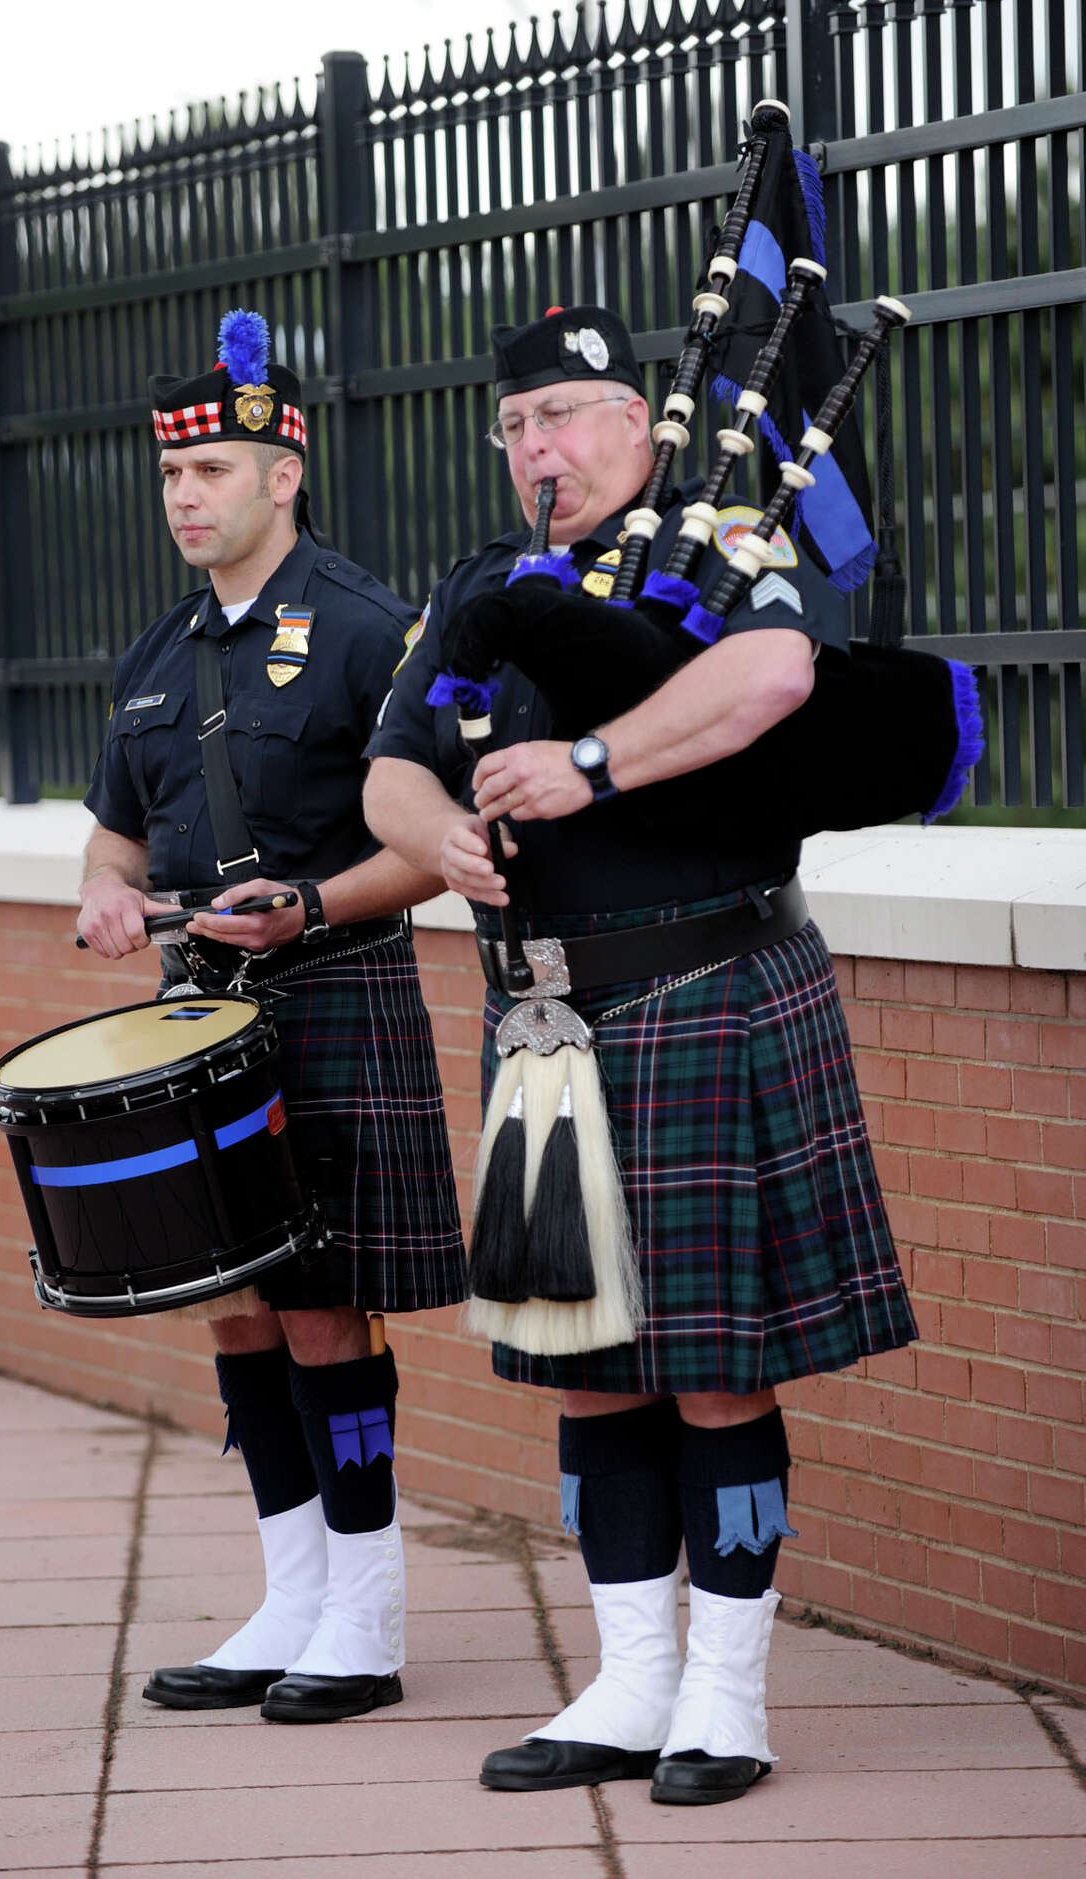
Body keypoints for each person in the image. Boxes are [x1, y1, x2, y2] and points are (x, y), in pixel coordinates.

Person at [363, 305, 917, 1801]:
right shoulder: (483, 581)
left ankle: (726, 1700)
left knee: (716, 1372)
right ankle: (630, 1684)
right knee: (588, 1368)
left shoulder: (724, 545)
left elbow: (775, 679)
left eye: (564, 414)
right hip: (545, 1024)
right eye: (514, 424)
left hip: (705, 989)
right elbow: (390, 772)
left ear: (636, 422)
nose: (536, 446)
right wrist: (446, 840)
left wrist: (590, 763)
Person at [77, 308, 466, 1724]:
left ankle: (365, 1616)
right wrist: (106, 896)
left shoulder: (367, 629)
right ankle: (291, 1596)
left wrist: (310, 906)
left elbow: (441, 846)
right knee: (235, 1309)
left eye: (213, 474)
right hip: (197, 1014)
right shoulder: (155, 655)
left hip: (333, 989)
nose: (186, 498)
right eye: (172, 476)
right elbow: (116, 839)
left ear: (283, 475)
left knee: (322, 1313)